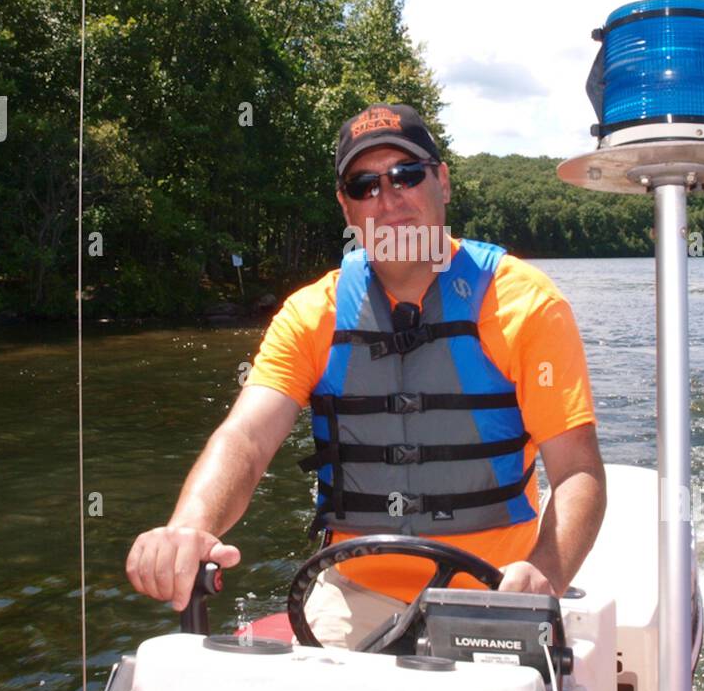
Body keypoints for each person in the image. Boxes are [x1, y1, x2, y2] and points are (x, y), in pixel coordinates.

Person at [126, 103, 607, 648]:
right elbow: (247, 438)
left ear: (442, 182)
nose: (389, 197)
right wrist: (190, 524)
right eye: (364, 184)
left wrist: (545, 575)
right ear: (347, 208)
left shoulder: (528, 305)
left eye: (406, 175)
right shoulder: (313, 314)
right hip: (351, 591)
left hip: (495, 592)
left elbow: (577, 471)